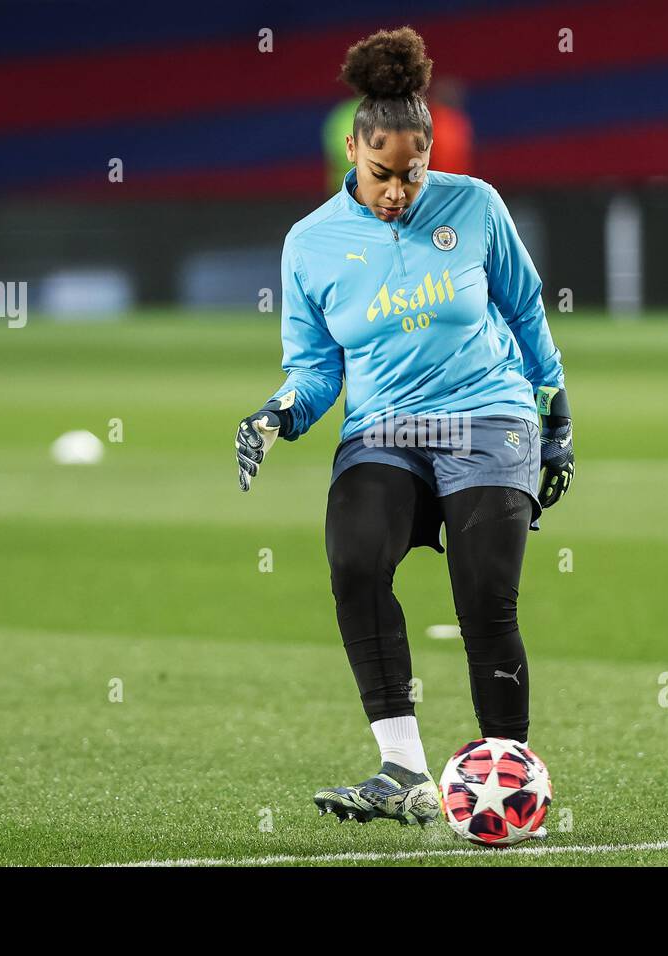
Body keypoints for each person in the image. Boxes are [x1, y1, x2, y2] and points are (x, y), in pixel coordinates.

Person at [235, 27, 574, 828]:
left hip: (490, 417)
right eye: (382, 173)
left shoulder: (476, 205)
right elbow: (316, 369)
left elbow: (526, 311)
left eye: (413, 174)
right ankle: (404, 772)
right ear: (352, 149)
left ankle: (506, 776)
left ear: (432, 156)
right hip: (383, 428)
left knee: (485, 596)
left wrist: (557, 416)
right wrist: (279, 413)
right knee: (354, 563)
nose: (398, 190)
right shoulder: (310, 243)